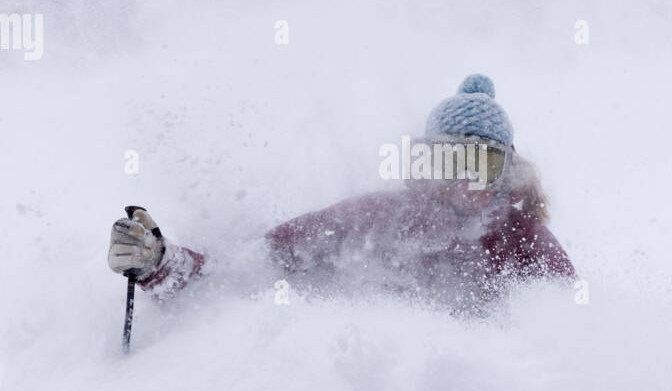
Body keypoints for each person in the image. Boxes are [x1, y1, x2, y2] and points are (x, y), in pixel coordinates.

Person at [107, 74, 574, 314]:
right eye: (449, 161)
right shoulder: (374, 219)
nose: (464, 181)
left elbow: (569, 344)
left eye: (484, 165)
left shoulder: (527, 246)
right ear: (424, 162)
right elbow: (247, 270)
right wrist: (159, 266)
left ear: (507, 174)